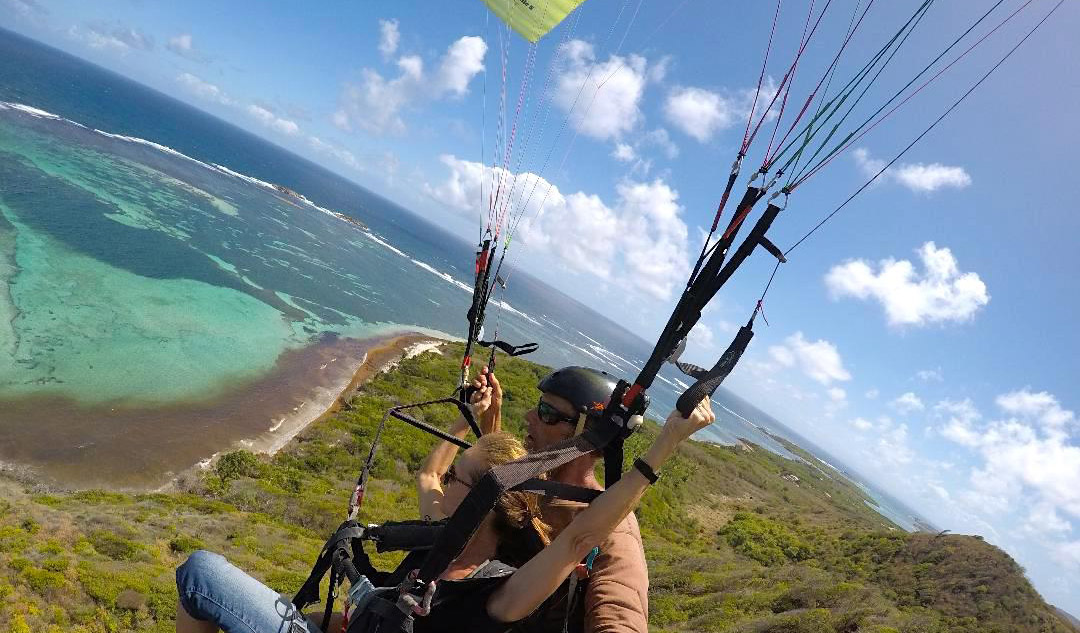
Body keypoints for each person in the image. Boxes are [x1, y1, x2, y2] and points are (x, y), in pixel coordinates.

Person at [175, 381, 716, 633]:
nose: (447, 480)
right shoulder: (445, 538)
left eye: (462, 478)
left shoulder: (498, 597)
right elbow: (456, 473)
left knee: (200, 573)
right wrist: (470, 420)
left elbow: (583, 539)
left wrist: (665, 444)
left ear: (485, 501)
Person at [477, 366, 651, 633]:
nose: (529, 417)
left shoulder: (612, 525)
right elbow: (501, 488)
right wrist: (492, 413)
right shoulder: (536, 482)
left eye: (546, 413)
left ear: (585, 433)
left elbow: (621, 609)